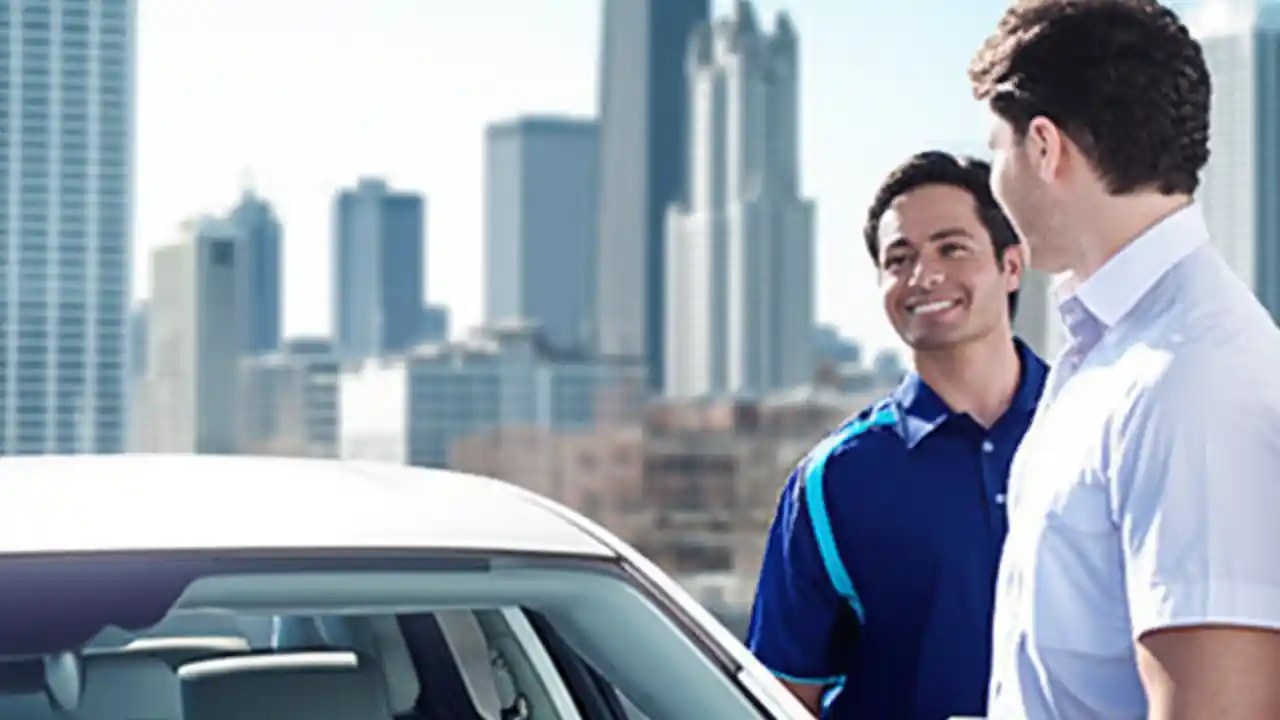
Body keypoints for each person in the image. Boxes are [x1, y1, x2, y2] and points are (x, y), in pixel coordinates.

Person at [969, 1, 1280, 717]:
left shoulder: (1192, 380)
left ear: (1043, 148)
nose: (994, 180)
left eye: (996, 147)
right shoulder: (1110, 354)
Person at [746, 151, 1048, 719]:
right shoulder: (834, 481)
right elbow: (781, 701)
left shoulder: (1096, 430)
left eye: (951, 248)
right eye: (899, 258)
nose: (923, 276)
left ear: (1012, 264)